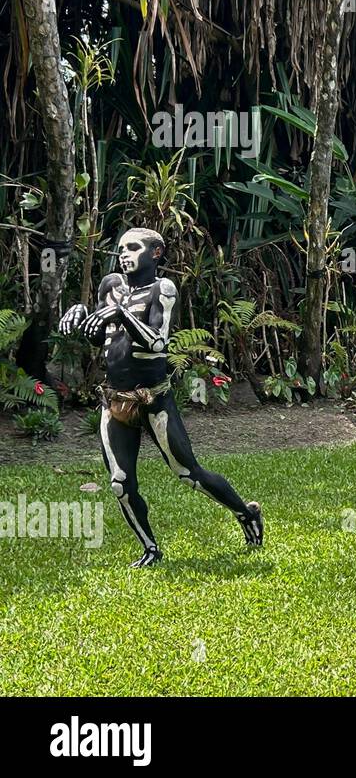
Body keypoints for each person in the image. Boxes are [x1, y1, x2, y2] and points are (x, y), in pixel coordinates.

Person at [58, 228, 263, 568]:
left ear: (155, 253)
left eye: (134, 247)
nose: (125, 254)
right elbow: (101, 338)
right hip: (115, 399)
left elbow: (157, 343)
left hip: (153, 398)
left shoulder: (162, 289)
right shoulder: (112, 287)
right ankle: (150, 548)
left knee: (188, 473)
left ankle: (246, 513)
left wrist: (123, 314)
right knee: (120, 484)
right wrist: (78, 314)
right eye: (121, 248)